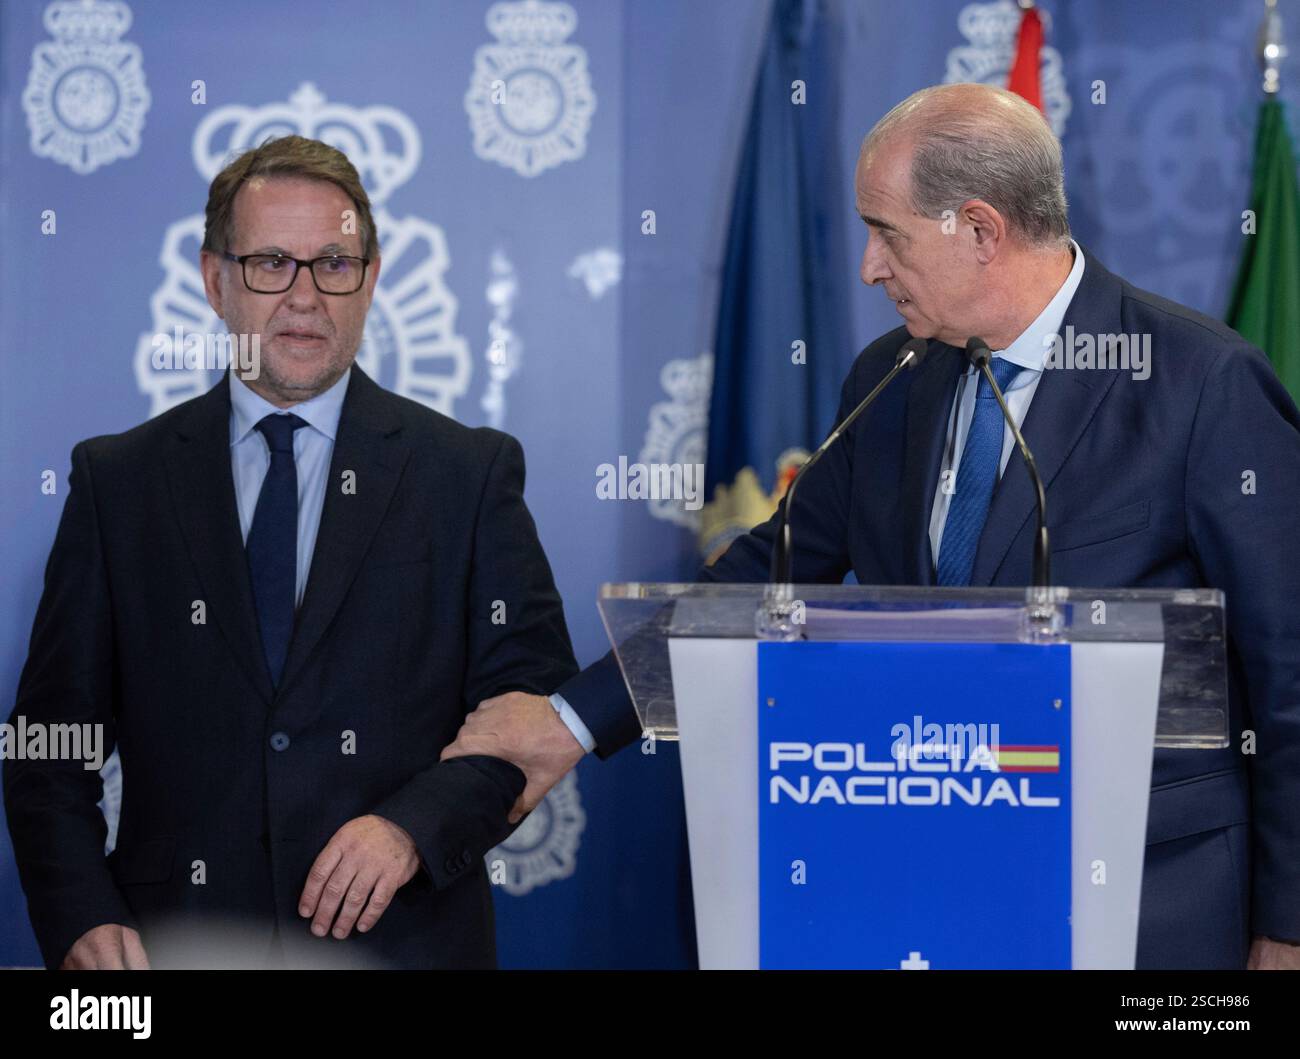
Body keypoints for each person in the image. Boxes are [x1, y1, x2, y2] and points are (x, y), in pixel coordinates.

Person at [443, 83, 1300, 970]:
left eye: (886, 231)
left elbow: (1291, 671)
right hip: (925, 894)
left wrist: (1290, 923)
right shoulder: (891, 378)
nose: (868, 267)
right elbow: (761, 576)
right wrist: (572, 722)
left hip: (1145, 903)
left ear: (980, 229)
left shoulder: (1201, 385)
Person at [4, 134, 577, 970]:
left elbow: (531, 714)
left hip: (403, 944)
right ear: (214, 280)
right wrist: (80, 914)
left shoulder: (468, 473)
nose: (305, 296)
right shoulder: (117, 482)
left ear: (371, 280)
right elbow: (48, 745)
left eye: (334, 263)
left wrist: (411, 828)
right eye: (272, 262)